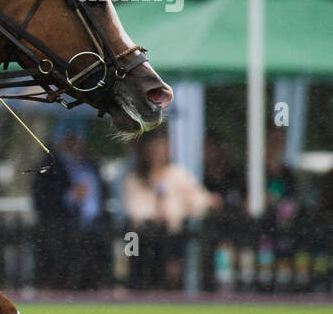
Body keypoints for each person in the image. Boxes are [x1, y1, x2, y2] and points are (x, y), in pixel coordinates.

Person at [120, 130, 218, 289]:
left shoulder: (177, 175)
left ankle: (175, 280)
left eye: (161, 147)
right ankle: (134, 282)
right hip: (143, 235)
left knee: (174, 237)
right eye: (153, 147)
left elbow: (197, 200)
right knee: (133, 239)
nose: (157, 152)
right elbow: (133, 209)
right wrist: (155, 215)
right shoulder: (135, 177)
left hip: (173, 235)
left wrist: (210, 201)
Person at [32, 118, 109, 289]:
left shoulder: (92, 165)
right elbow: (41, 200)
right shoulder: (48, 167)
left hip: (94, 228)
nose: (72, 144)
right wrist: (70, 196)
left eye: (76, 139)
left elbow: (102, 196)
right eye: (68, 139)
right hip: (62, 229)